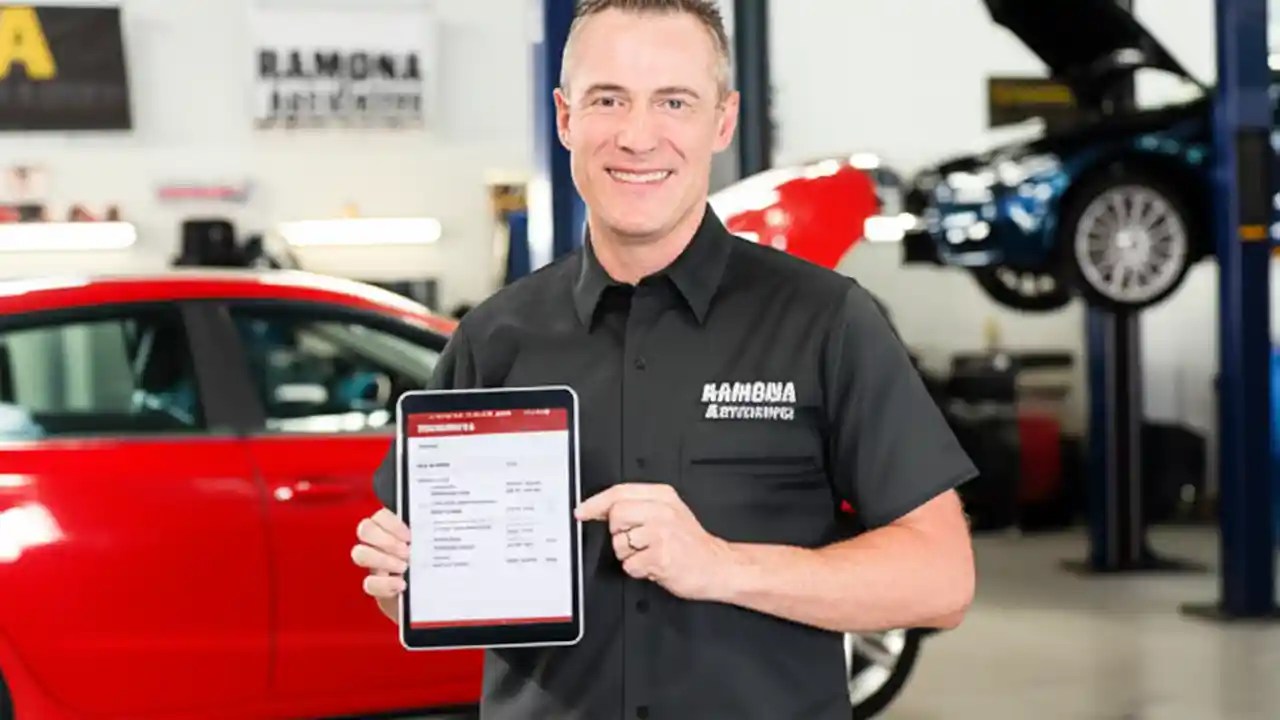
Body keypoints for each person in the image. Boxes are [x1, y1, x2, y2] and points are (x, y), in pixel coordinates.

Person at [350, 1, 977, 718]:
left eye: (673, 101)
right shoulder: (494, 338)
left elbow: (941, 579)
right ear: (565, 118)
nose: (638, 136)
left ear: (723, 121)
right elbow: (421, 593)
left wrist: (723, 567)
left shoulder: (824, 320)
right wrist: (405, 589)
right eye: (607, 100)